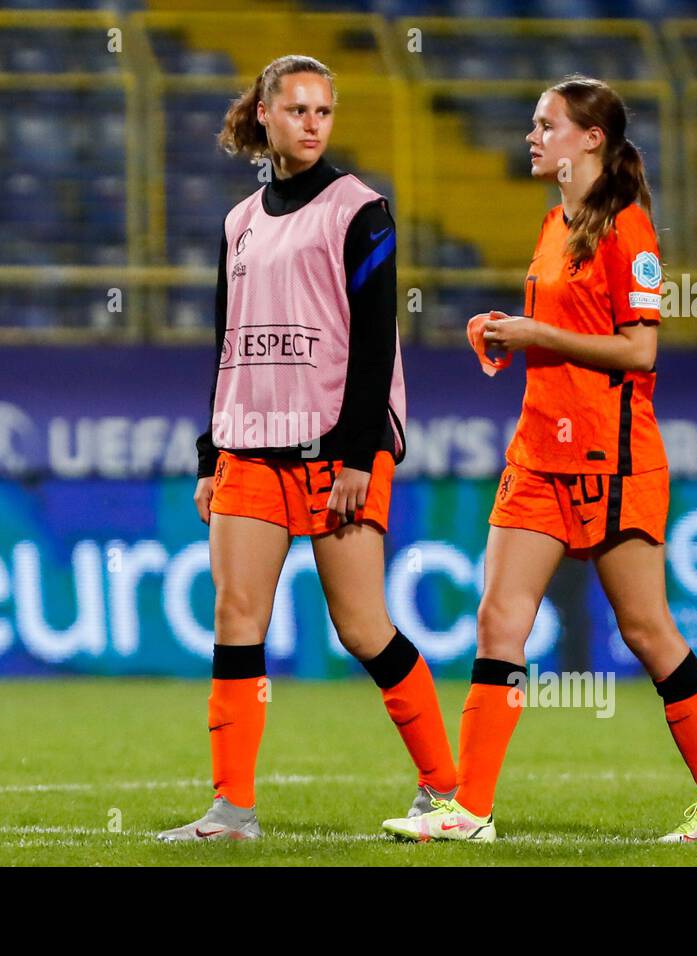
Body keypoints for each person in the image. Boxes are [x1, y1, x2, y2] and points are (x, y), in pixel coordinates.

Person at [382, 74, 697, 844]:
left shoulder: (629, 229)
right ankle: (471, 811)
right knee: (498, 618)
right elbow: (555, 329)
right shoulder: (556, 223)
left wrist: (538, 336)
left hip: (610, 458)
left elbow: (640, 351)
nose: (532, 135)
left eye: (546, 123)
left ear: (591, 139)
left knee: (647, 629)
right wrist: (503, 331)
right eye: (533, 123)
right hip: (538, 452)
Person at [157, 54, 457, 842]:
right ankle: (232, 811)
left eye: (324, 111)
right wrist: (209, 453)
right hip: (252, 446)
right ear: (265, 114)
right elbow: (227, 345)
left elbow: (374, 339)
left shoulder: (362, 211)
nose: (314, 123)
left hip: (337, 450)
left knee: (361, 626)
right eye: (298, 110)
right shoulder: (238, 224)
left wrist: (360, 454)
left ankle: (443, 787)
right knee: (235, 616)